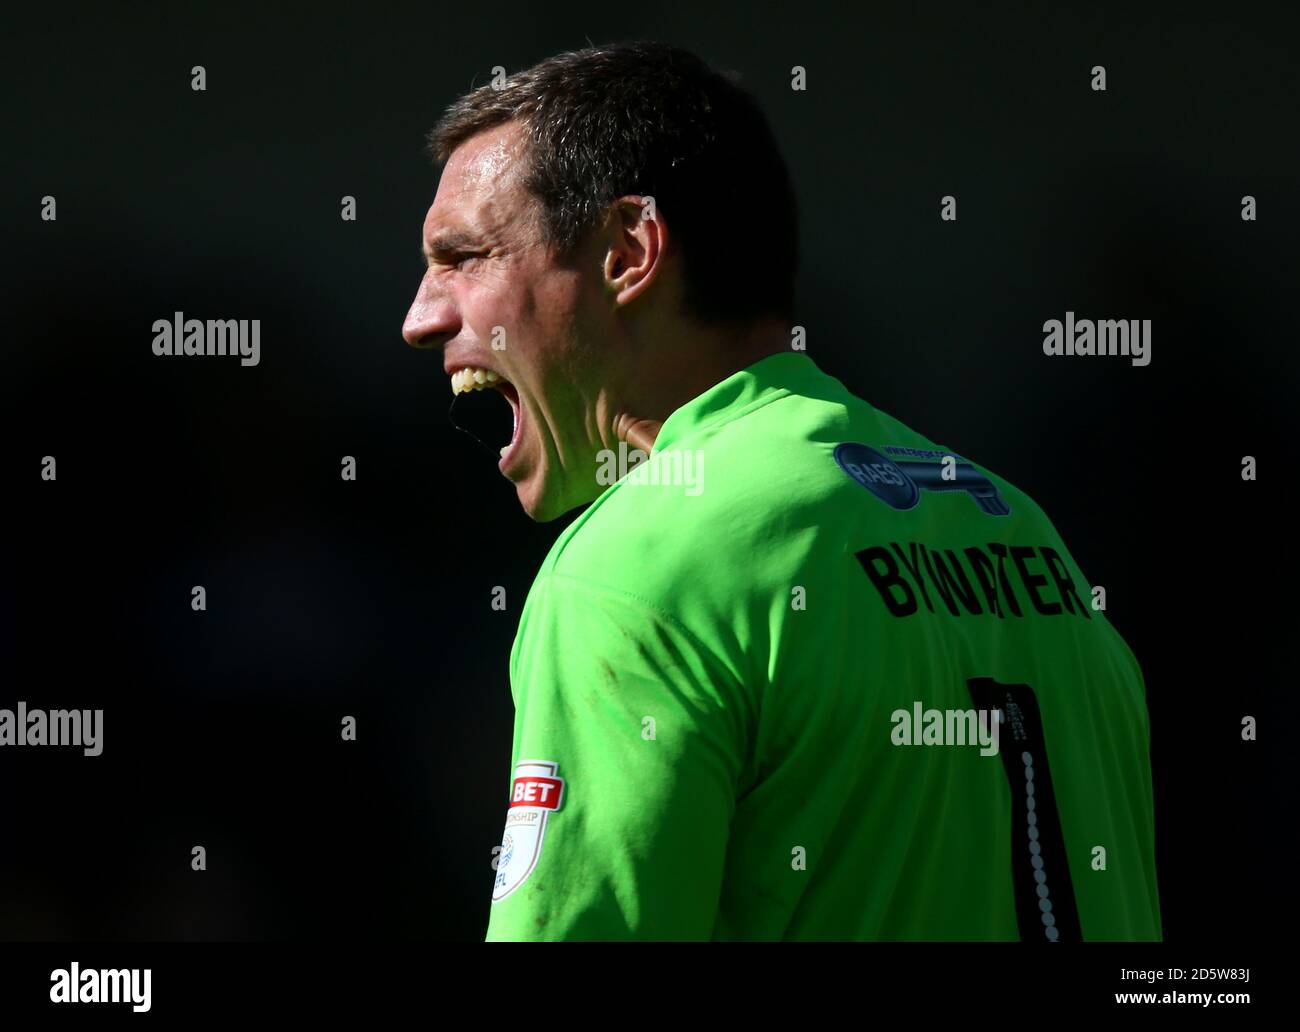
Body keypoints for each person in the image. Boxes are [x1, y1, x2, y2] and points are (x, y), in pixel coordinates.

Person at [402, 41, 1161, 941]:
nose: (421, 317)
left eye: (465, 256)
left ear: (627, 252)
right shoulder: (1020, 528)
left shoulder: (635, 566)